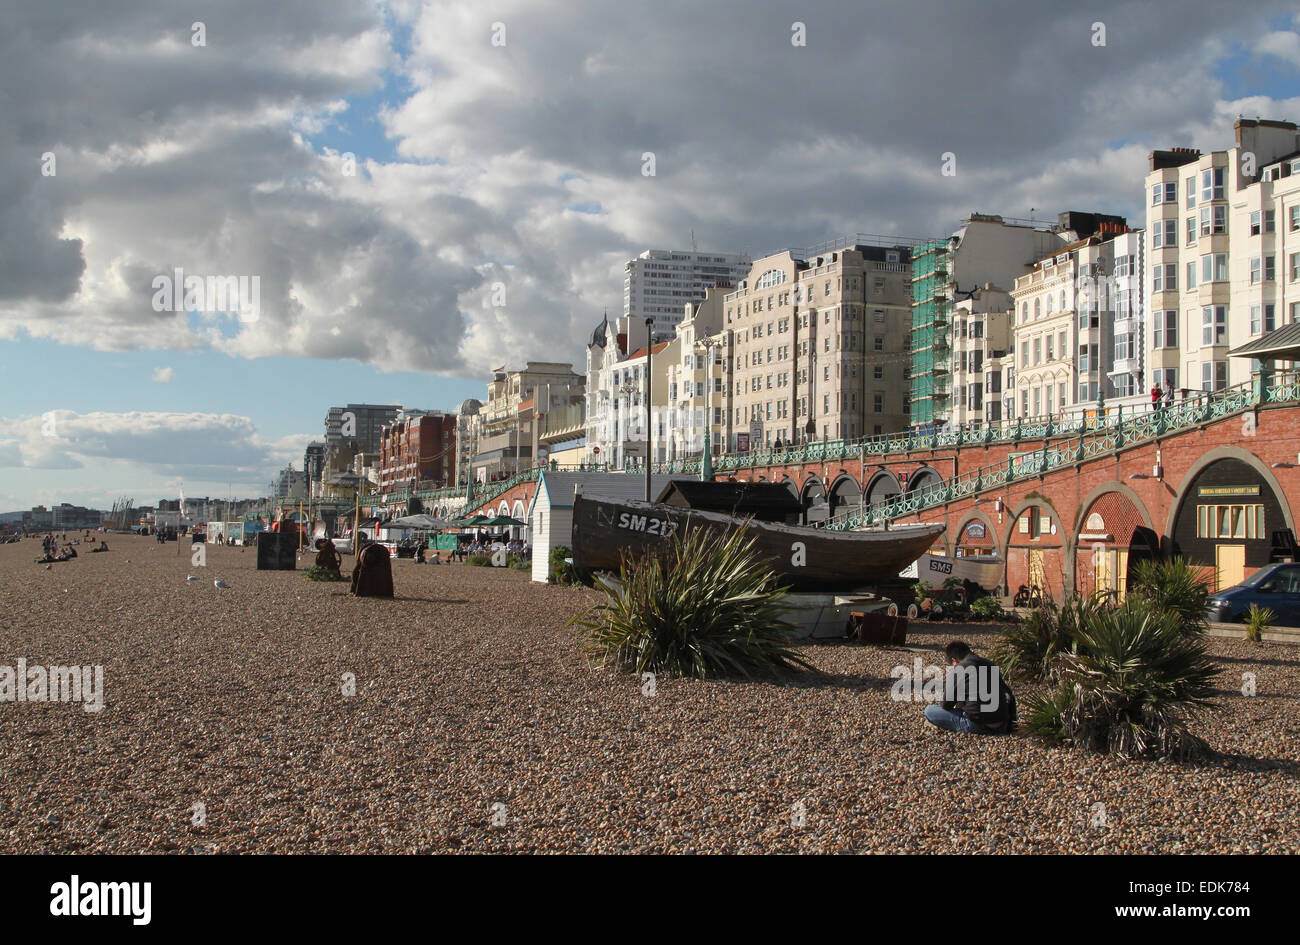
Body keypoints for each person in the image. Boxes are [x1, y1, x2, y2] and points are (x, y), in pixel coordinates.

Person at [923, 640, 1017, 735]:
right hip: (1002, 725)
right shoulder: (990, 664)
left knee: (929, 710)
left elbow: (946, 705)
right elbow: (1008, 694)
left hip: (977, 725)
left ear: (954, 660)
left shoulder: (960, 668)